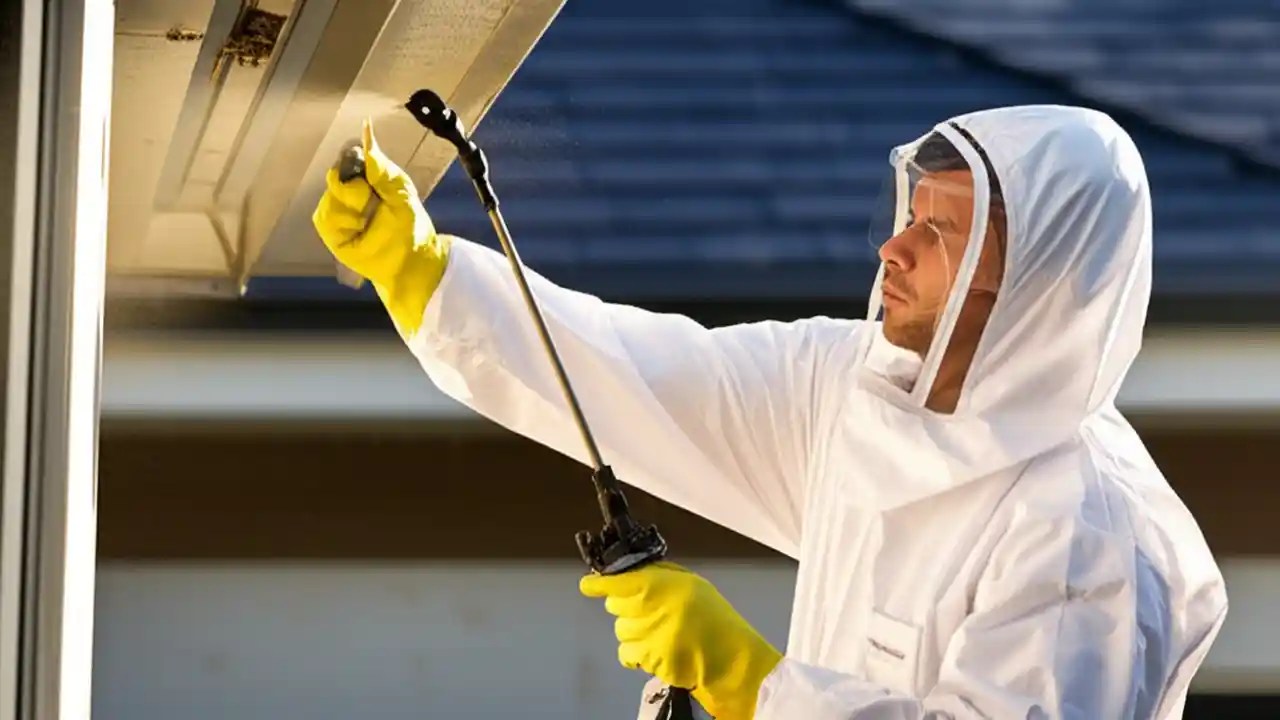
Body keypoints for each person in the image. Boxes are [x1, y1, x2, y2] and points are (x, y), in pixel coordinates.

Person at [312, 105, 1227, 719]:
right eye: (911, 213)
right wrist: (426, 274)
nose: (892, 247)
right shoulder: (858, 387)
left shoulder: (1087, 531)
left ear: (1042, 284)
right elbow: (643, 374)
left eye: (940, 233)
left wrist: (757, 685)